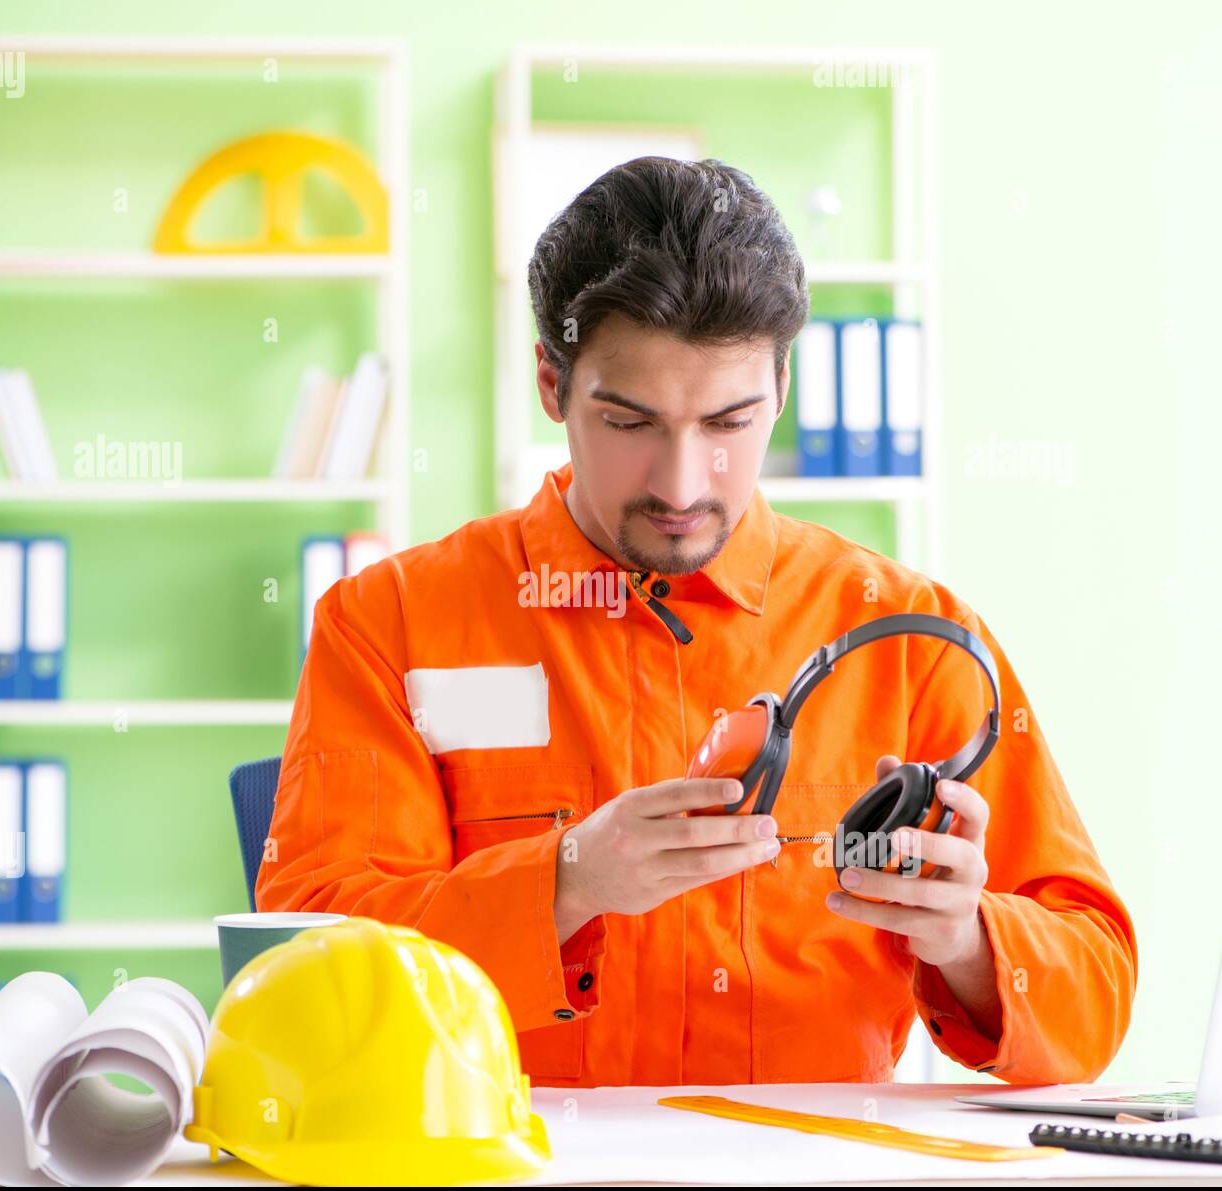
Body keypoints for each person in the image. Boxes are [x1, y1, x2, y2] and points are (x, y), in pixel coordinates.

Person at [257, 157, 1136, 1087]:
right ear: (552, 384)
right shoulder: (386, 623)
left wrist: (966, 941)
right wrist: (564, 882)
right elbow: (305, 971)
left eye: (728, 423)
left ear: (783, 391)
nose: (683, 485)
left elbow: (1097, 990)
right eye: (630, 423)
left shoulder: (912, 636)